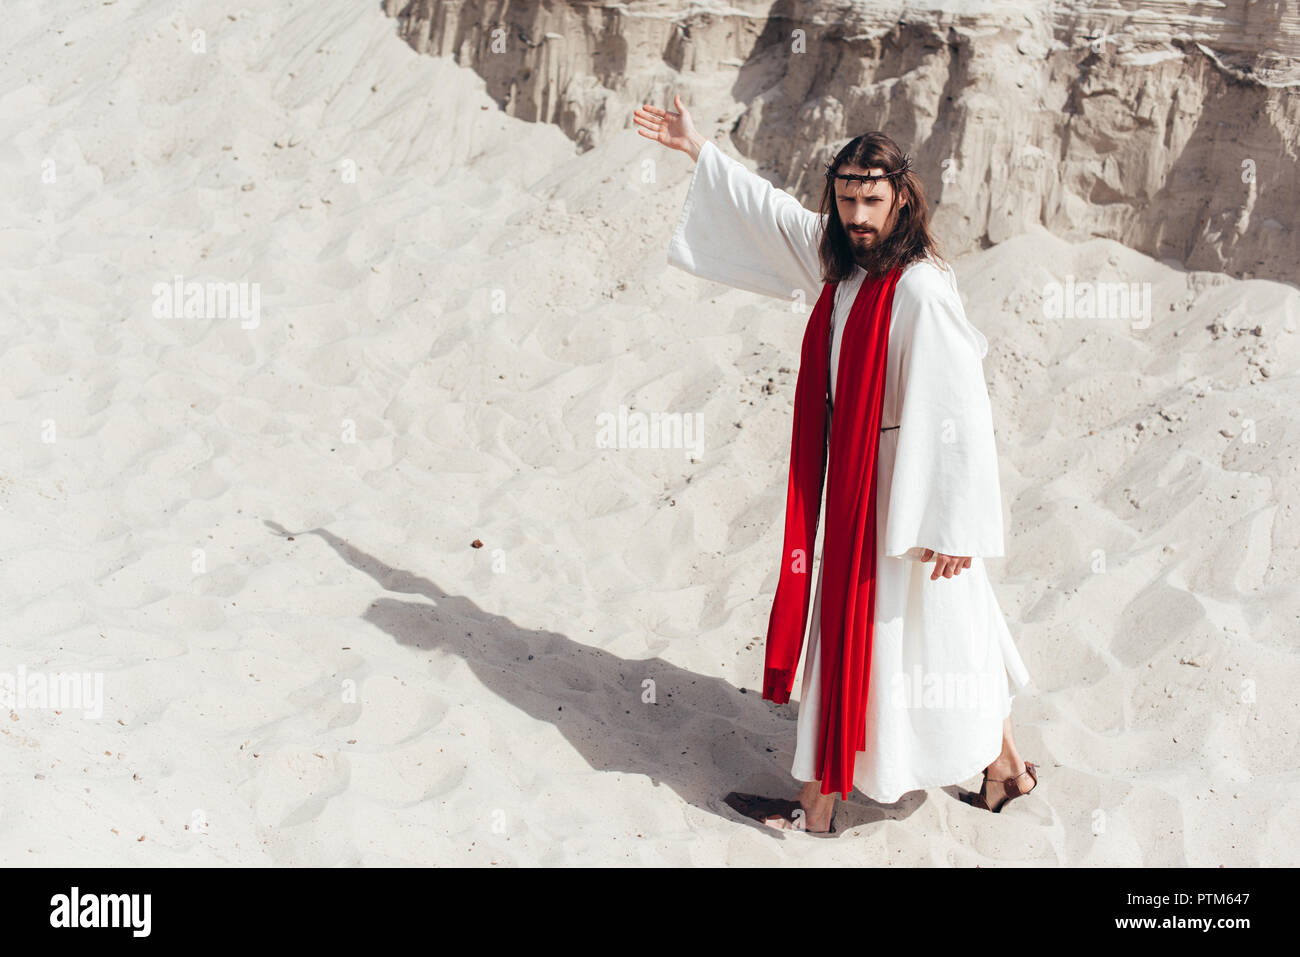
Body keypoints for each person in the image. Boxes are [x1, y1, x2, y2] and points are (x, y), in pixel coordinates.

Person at [633, 95, 1039, 835]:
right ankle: (1004, 768)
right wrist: (701, 150)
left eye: (871, 200)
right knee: (958, 625)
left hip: (906, 492)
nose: (857, 214)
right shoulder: (843, 265)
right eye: (846, 198)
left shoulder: (918, 287)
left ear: (901, 198)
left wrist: (955, 522)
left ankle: (819, 806)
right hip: (871, 479)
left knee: (893, 630)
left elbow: (960, 407)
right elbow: (777, 218)